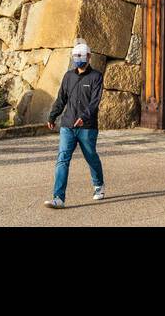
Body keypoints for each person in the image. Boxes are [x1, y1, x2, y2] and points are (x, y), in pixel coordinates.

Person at [44, 42, 105, 208]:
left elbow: (94, 102)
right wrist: (52, 115)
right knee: (62, 159)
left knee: (91, 156)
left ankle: (98, 186)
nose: (79, 62)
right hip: (68, 125)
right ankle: (58, 198)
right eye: (76, 58)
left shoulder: (96, 77)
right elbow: (61, 98)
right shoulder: (68, 76)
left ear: (89, 57)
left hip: (87, 127)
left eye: (82, 58)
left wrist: (84, 117)